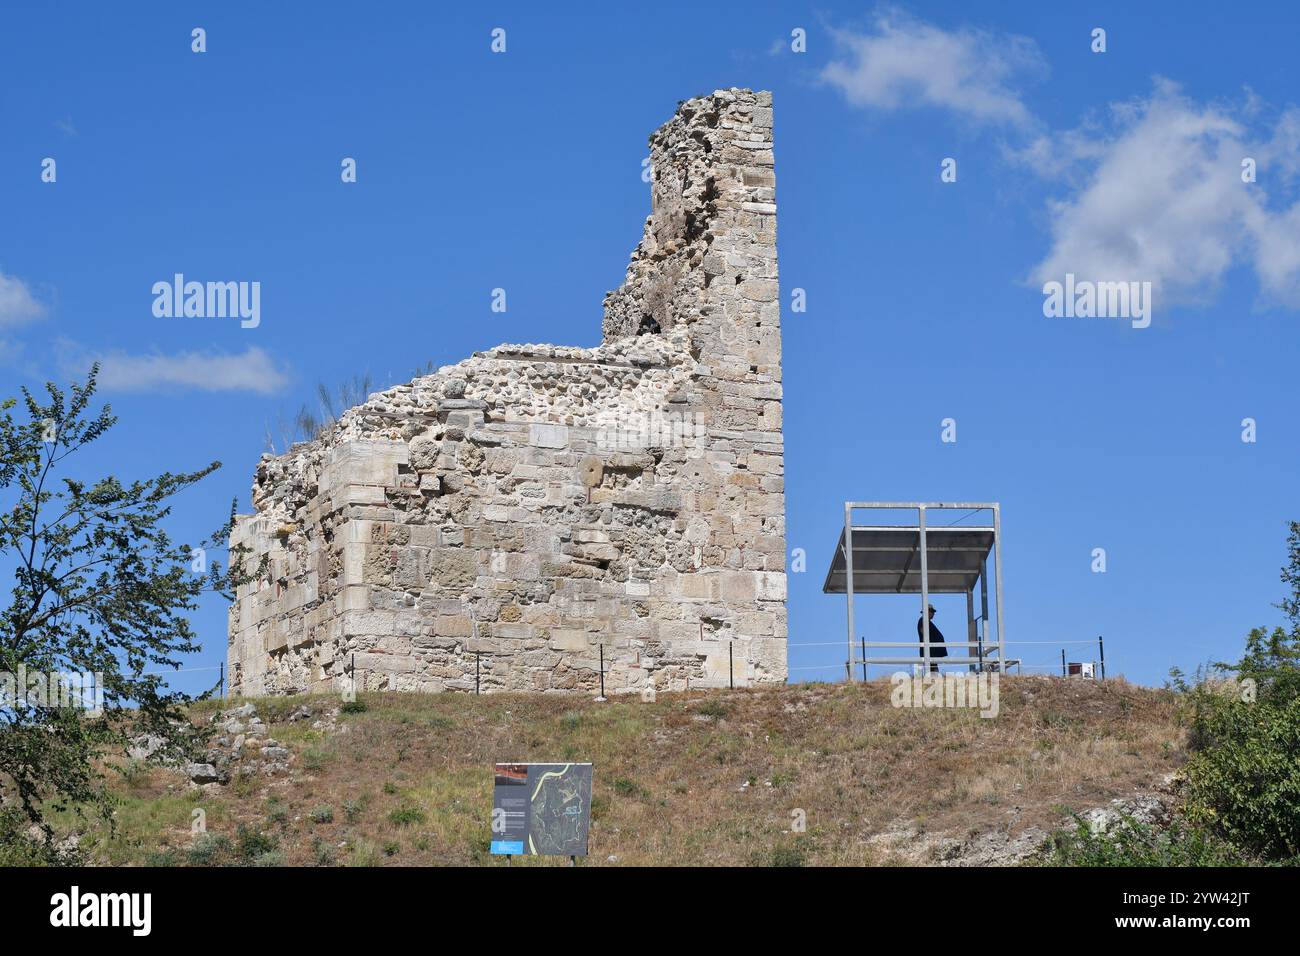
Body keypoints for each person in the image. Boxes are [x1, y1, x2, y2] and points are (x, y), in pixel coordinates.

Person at [917, 604, 947, 673]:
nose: (933, 613)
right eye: (931, 611)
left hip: (932, 653)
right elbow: (924, 634)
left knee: (934, 671)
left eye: (933, 612)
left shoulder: (927, 622)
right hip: (929, 652)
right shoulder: (922, 621)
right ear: (926, 612)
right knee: (933, 672)